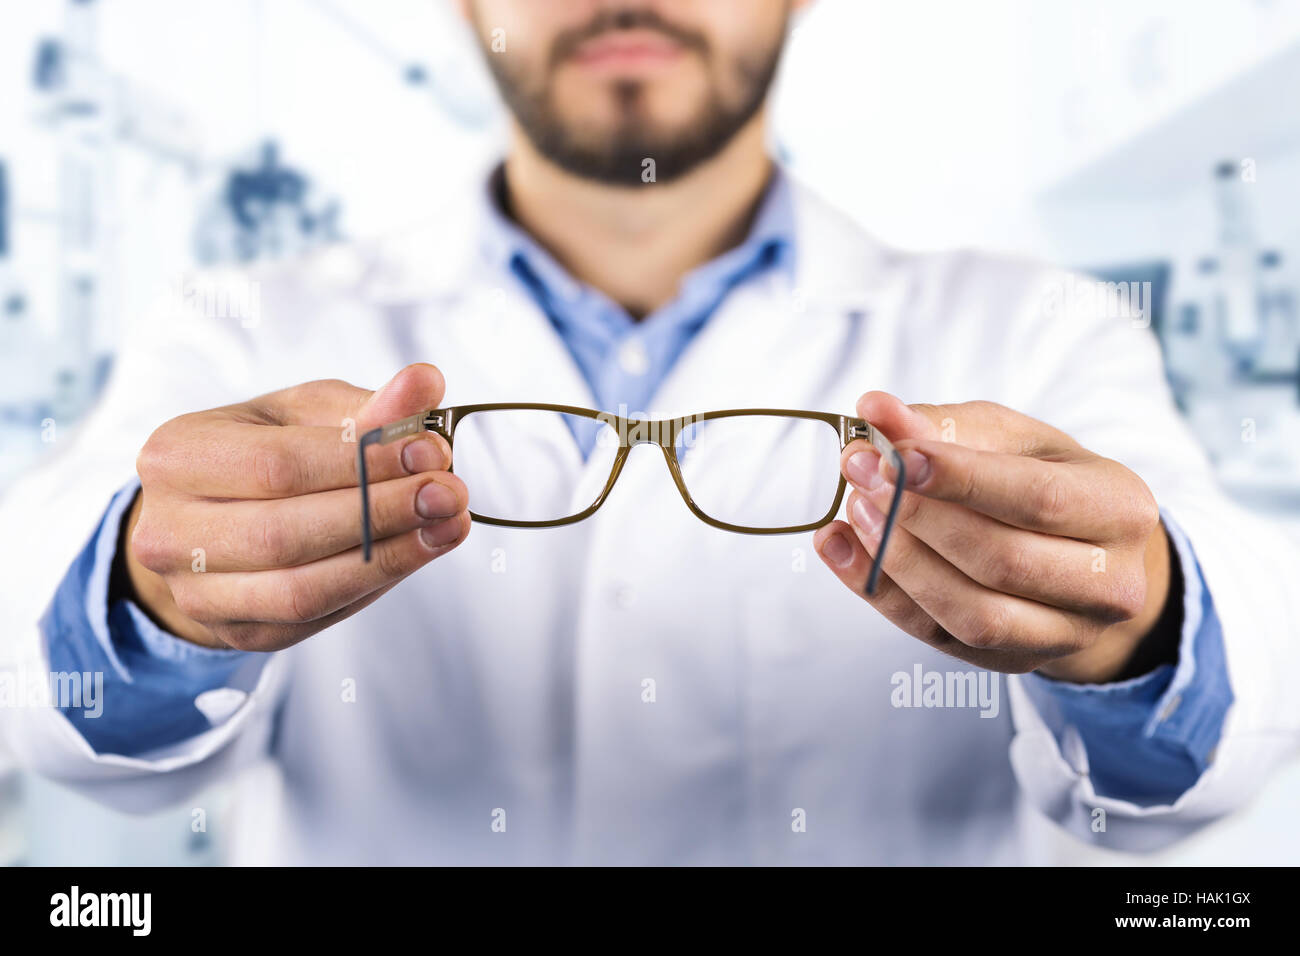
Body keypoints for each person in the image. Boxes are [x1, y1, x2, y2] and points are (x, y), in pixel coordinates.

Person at [2, 0, 1297, 865]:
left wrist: (1143, 627)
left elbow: (1237, 719)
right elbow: (42, 685)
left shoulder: (1040, 332)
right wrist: (145, 597)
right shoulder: (246, 329)